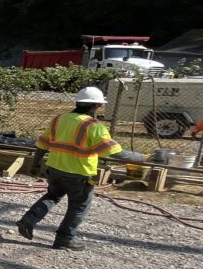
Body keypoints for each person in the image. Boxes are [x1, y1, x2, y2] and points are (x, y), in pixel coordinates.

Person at [16, 86, 144, 251]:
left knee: (52, 196)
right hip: (80, 173)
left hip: (54, 168)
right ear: (96, 106)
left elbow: (42, 143)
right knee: (78, 206)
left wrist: (35, 163)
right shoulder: (94, 126)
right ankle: (64, 240)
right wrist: (140, 158)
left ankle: (28, 220)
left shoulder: (58, 119)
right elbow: (114, 152)